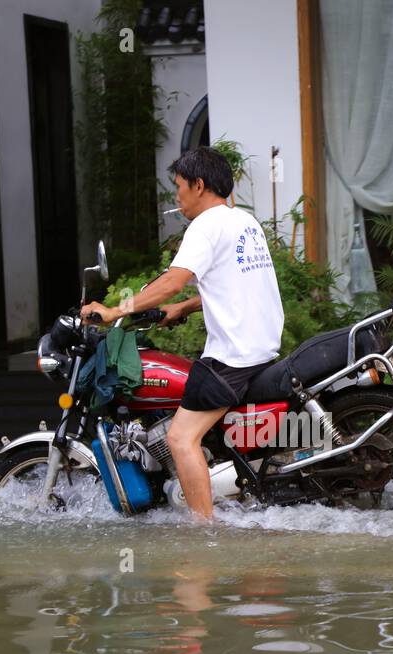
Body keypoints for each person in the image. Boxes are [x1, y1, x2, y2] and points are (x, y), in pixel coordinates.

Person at [82, 147, 285, 520]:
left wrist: (114, 310)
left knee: (179, 437)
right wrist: (186, 307)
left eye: (179, 186)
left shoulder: (205, 226)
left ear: (199, 185)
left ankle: (202, 530)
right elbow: (234, 285)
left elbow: (172, 282)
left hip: (232, 358)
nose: (177, 196)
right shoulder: (244, 222)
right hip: (261, 350)